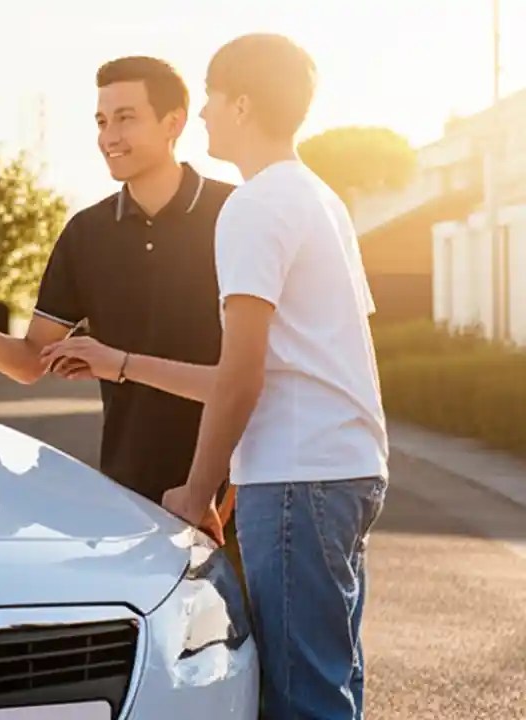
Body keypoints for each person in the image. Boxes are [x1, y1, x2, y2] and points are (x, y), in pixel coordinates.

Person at [42, 34, 388, 720]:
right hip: (348, 470)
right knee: (334, 679)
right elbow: (286, 365)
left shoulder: (251, 208)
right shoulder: (320, 198)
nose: (200, 115)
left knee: (300, 698)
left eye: (208, 98)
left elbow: (241, 376)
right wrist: (121, 364)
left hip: (296, 480)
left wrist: (197, 488)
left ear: (241, 104)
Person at [0, 56, 234, 540]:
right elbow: (29, 361)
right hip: (131, 496)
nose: (109, 137)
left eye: (126, 118)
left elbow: (254, 373)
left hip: (241, 490)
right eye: (102, 122)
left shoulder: (234, 214)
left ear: (174, 123)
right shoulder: (86, 234)